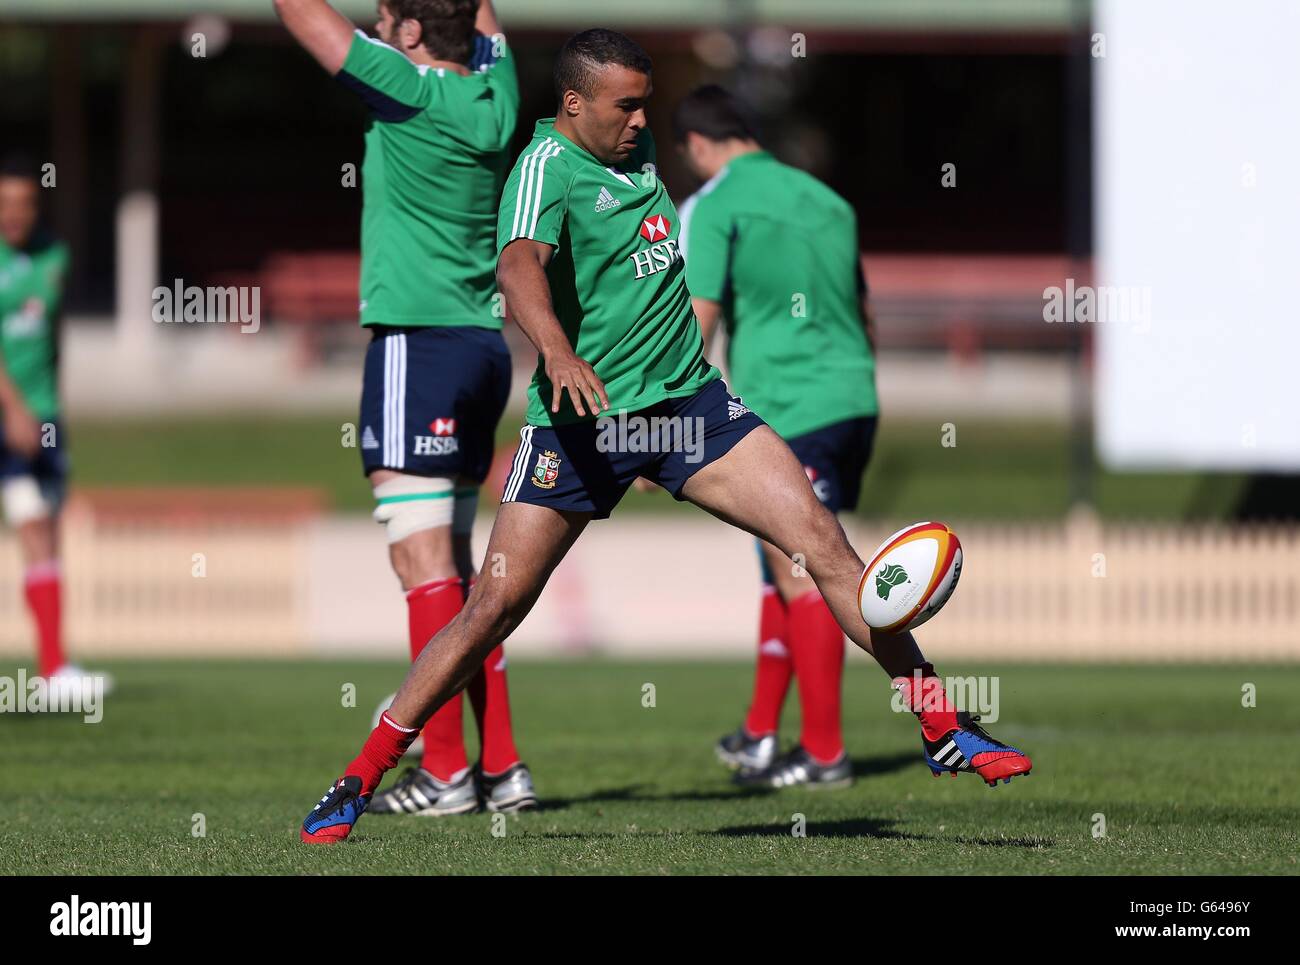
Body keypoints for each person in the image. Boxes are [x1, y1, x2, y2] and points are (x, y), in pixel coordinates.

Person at [300, 28, 1032, 844]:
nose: (644, 120)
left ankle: (943, 725)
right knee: (490, 611)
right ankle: (362, 774)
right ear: (574, 104)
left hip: (694, 411)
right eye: (627, 105)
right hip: (582, 427)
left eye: (646, 104)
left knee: (823, 544)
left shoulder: (633, 155)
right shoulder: (545, 166)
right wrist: (557, 350)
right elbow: (517, 267)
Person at [275, 0, 535, 815]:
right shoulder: (496, 92)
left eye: (385, 16)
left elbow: (299, 13)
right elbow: (484, 22)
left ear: (413, 33)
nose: (374, 26)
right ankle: (504, 767)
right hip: (484, 350)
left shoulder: (406, 85)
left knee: (424, 570)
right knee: (462, 579)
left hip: (415, 347)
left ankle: (449, 774)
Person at [674, 84, 880, 788]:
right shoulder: (832, 201)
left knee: (803, 570)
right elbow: (863, 309)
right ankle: (764, 733)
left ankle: (823, 753)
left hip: (789, 403)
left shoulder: (716, 203)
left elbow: (695, 319)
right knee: (787, 561)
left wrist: (657, 419)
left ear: (697, 145)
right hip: (854, 396)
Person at [0, 154, 105, 700]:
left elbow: (50, 338)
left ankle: (52, 667)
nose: (14, 214)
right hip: (9, 419)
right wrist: (14, 408)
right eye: (4, 203)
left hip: (43, 416)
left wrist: (48, 408)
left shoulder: (52, 256)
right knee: (33, 522)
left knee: (46, 530)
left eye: (23, 202)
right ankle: (52, 668)